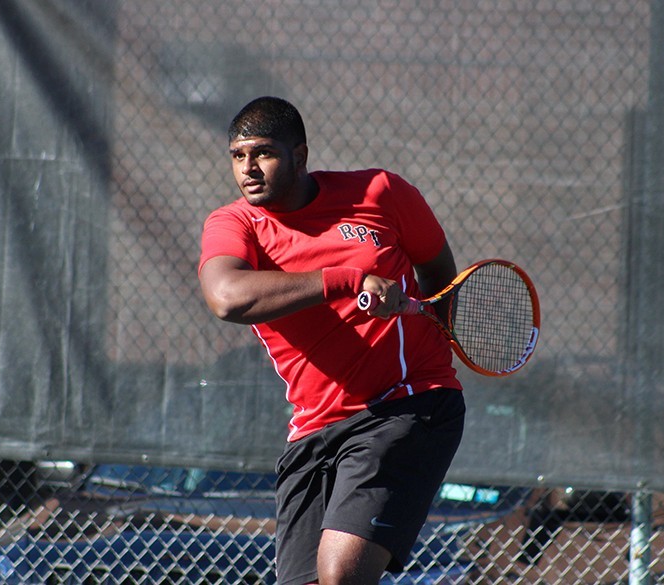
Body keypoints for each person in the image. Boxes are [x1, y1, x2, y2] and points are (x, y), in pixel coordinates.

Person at [198, 96, 465, 585]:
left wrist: (429, 339)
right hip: (314, 430)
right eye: (238, 156)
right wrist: (345, 280)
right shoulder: (234, 224)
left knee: (340, 575)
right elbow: (226, 297)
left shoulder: (381, 193)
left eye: (263, 153)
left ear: (299, 156)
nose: (248, 169)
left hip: (405, 406)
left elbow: (438, 273)